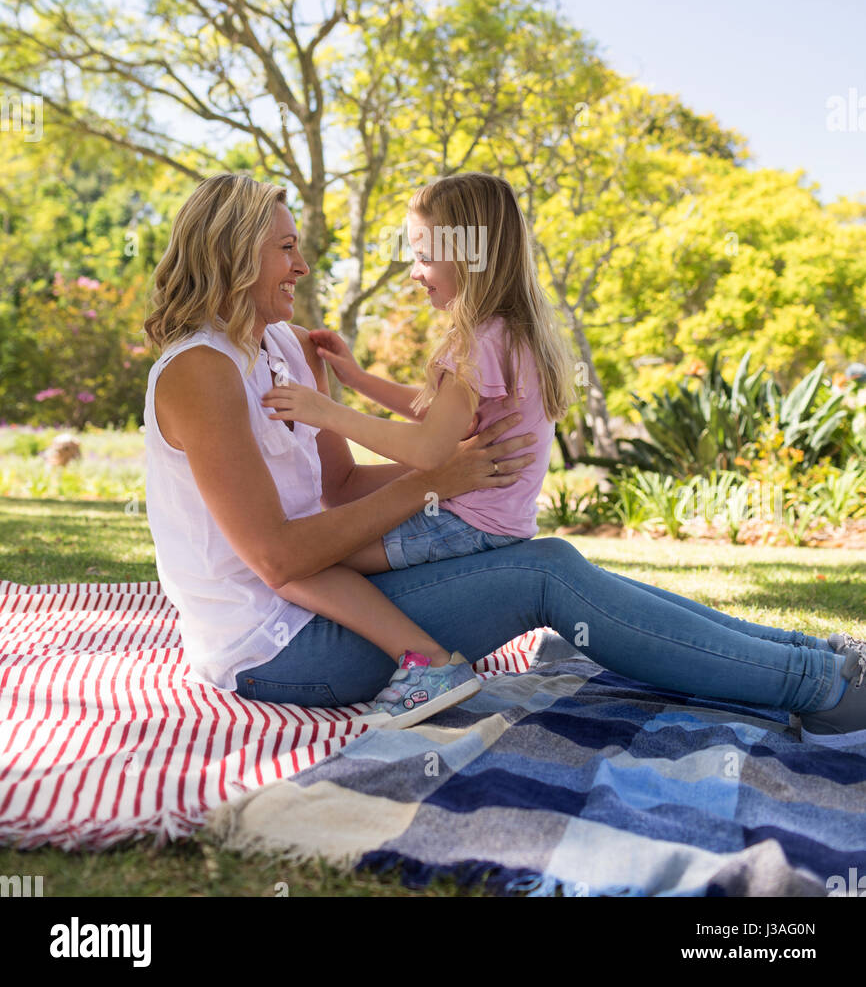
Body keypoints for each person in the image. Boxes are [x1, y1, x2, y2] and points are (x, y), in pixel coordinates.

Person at [143, 173, 866, 750]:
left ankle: (818, 657)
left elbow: (338, 484)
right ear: (234, 254)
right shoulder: (199, 372)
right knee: (544, 574)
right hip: (276, 643)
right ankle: (821, 690)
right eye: (285, 249)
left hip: (331, 597)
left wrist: (462, 466)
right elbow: (273, 557)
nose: (302, 265)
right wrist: (436, 478)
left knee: (552, 563)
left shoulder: (286, 347)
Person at [260, 173, 574, 725]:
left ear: (471, 256)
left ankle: (427, 667)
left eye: (426, 257)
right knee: (321, 543)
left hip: (463, 522)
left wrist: (325, 411)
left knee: (302, 561)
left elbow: (430, 450)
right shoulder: (509, 330)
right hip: (499, 520)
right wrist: (355, 378)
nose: (414, 272)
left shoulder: (476, 342)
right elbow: (439, 415)